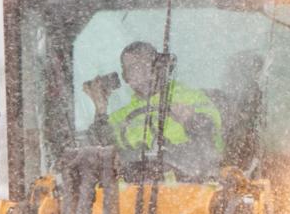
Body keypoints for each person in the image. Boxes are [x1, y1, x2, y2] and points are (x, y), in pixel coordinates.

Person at [84, 41, 223, 178]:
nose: (140, 72)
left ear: (159, 67)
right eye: (132, 68)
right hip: (134, 187)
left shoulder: (190, 98)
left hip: (192, 184)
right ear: (125, 76)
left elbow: (211, 132)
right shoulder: (120, 116)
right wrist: (100, 109)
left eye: (145, 64)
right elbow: (102, 149)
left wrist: (191, 119)